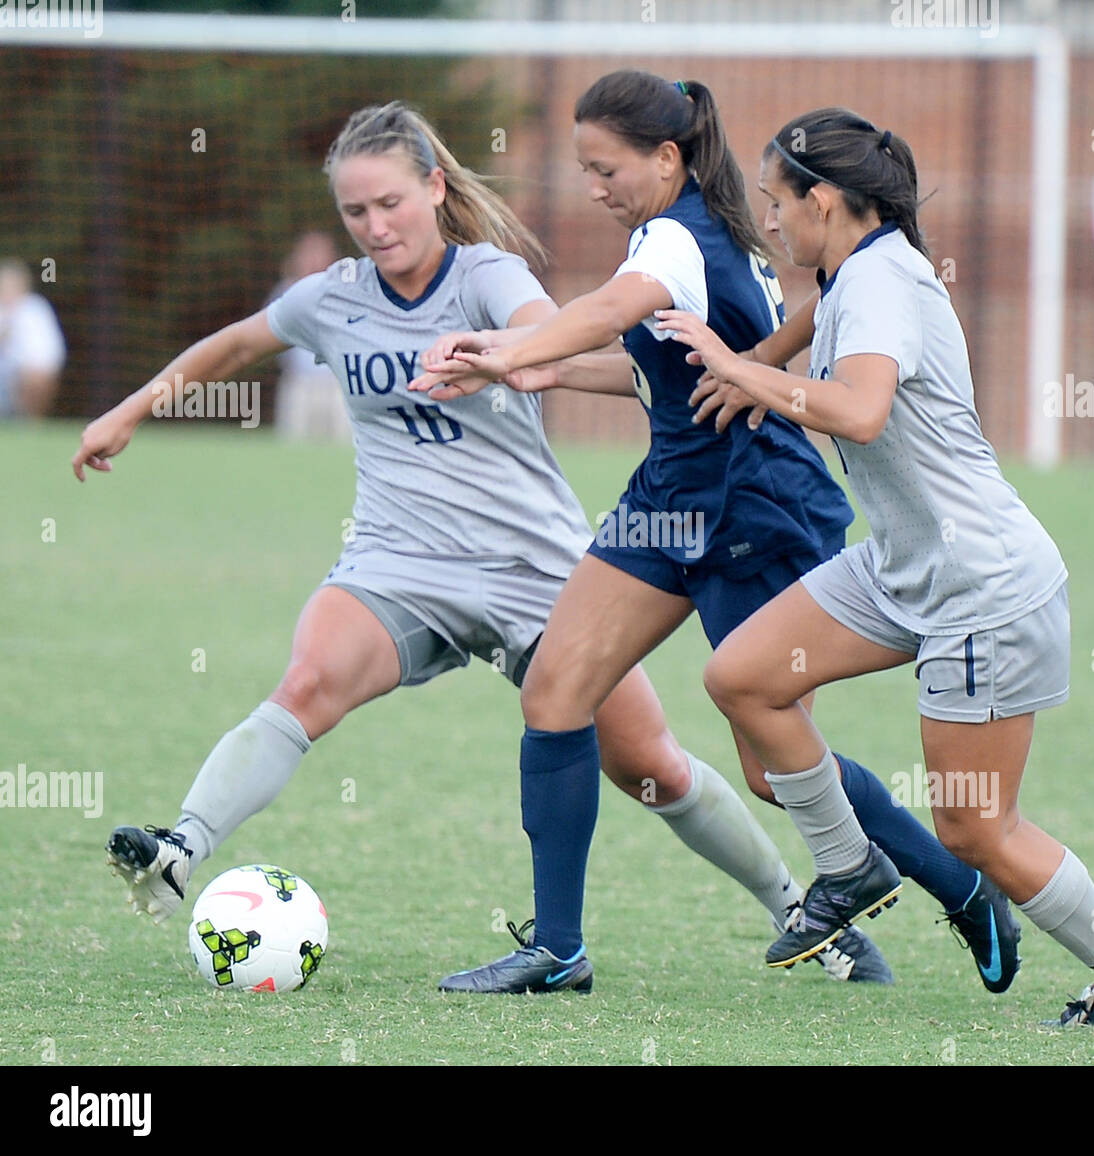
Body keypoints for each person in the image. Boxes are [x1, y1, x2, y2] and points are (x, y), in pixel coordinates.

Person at [72, 100, 891, 994]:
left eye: (390, 203)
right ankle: (180, 845)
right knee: (306, 680)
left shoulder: (488, 279)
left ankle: (804, 914)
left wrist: (512, 351)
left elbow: (556, 327)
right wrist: (129, 410)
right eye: (355, 213)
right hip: (396, 565)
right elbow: (235, 343)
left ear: (433, 187)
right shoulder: (335, 300)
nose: (376, 227)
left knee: (649, 767)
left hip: (536, 570)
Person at [414, 72, 1021, 996]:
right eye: (583, 169)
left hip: (753, 502)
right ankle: (558, 950)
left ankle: (961, 884)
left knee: (776, 771)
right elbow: (674, 373)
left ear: (667, 158)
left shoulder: (675, 236)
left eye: (604, 167)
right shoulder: (699, 235)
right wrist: (549, 378)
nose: (592, 187)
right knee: (556, 688)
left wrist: (509, 348)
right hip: (669, 497)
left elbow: (613, 309)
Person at [658, 107, 1094, 1028]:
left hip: (982, 588)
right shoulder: (866, 267)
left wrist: (741, 375)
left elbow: (859, 413)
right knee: (742, 678)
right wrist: (758, 358)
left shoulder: (882, 283)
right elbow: (824, 319)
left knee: (976, 829)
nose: (770, 222)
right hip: (906, 565)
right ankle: (852, 867)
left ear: (824, 200)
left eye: (779, 203)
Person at [268, 231, 351, 442]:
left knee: (341, 445)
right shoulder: (285, 293)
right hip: (299, 384)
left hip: (338, 386)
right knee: (294, 443)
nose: (314, 259)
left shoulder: (345, 292)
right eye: (309, 253)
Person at [0, 257, 65, 417]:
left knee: (36, 378)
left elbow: (48, 352)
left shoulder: (35, 309)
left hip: (26, 375)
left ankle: (29, 422)